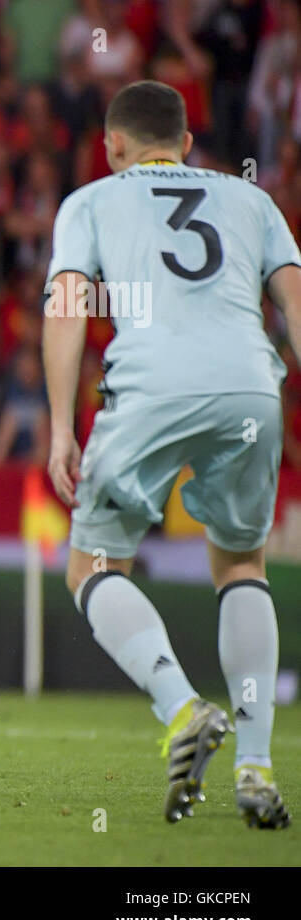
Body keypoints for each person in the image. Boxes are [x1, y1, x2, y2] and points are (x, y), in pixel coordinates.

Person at [44, 80, 297, 828]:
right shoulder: (254, 201)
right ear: (187, 144)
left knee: (90, 566)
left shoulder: (91, 200)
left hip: (151, 388)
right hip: (251, 387)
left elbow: (66, 310)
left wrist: (62, 425)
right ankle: (256, 766)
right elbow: (294, 302)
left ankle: (183, 708)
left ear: (113, 146)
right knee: (242, 564)